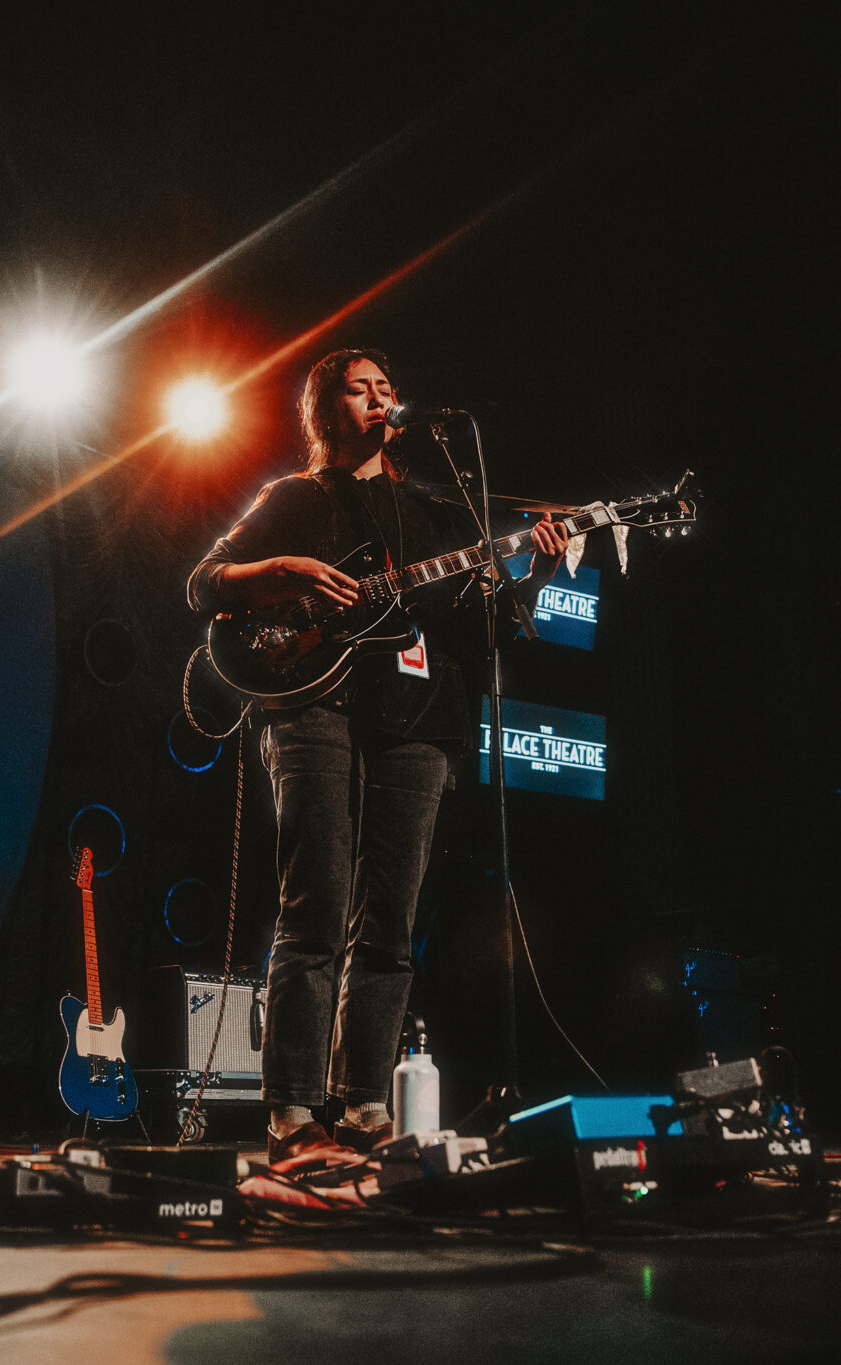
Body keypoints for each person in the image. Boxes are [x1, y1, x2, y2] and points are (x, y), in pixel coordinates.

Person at [186, 347, 568, 1162]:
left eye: (388, 389)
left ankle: (362, 1103)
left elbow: (485, 629)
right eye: (360, 388)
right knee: (315, 905)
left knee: (390, 921)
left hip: (418, 719)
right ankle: (291, 1109)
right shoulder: (293, 496)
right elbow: (204, 583)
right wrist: (281, 569)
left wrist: (531, 568)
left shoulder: (434, 513)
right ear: (324, 409)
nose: (379, 399)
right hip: (309, 705)